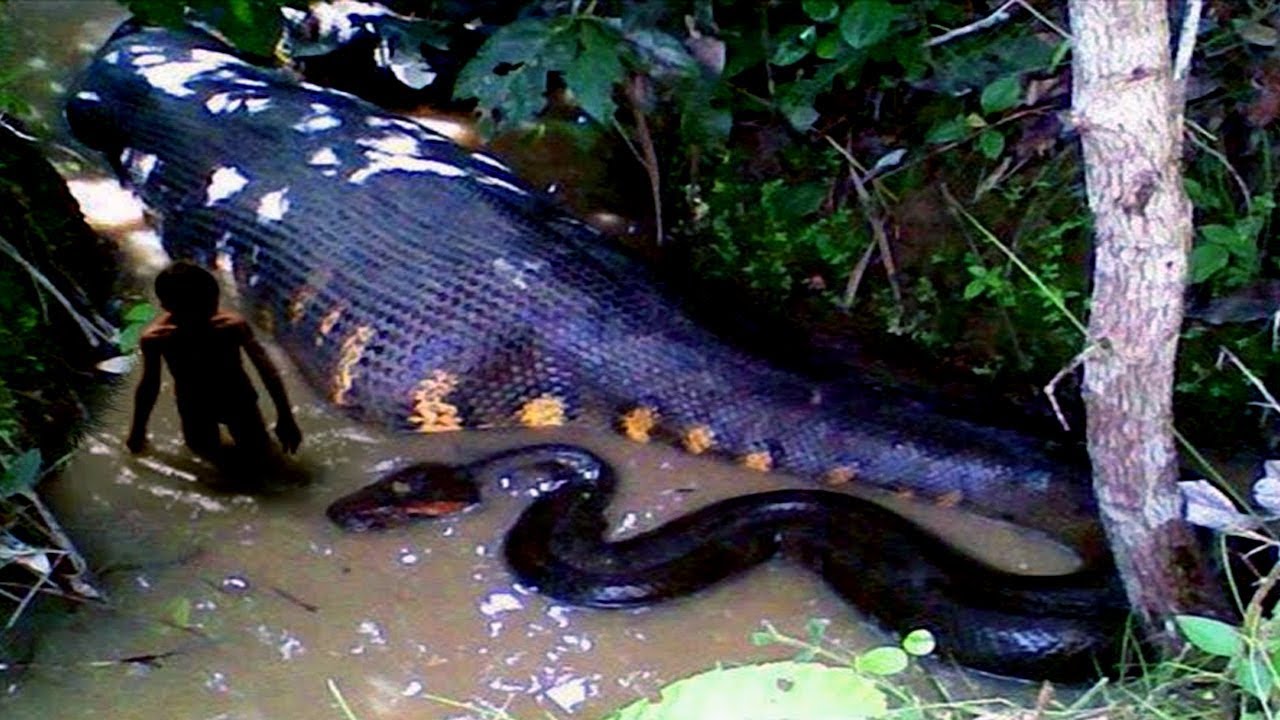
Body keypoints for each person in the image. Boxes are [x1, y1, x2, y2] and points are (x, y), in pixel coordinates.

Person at [126, 261, 302, 463]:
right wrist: (138, 431)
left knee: (263, 458)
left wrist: (286, 416)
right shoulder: (157, 338)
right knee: (207, 463)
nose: (209, 312)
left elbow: (267, 370)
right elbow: (149, 386)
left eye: (212, 304)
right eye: (198, 308)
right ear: (168, 307)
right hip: (194, 408)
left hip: (238, 400)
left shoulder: (231, 326)